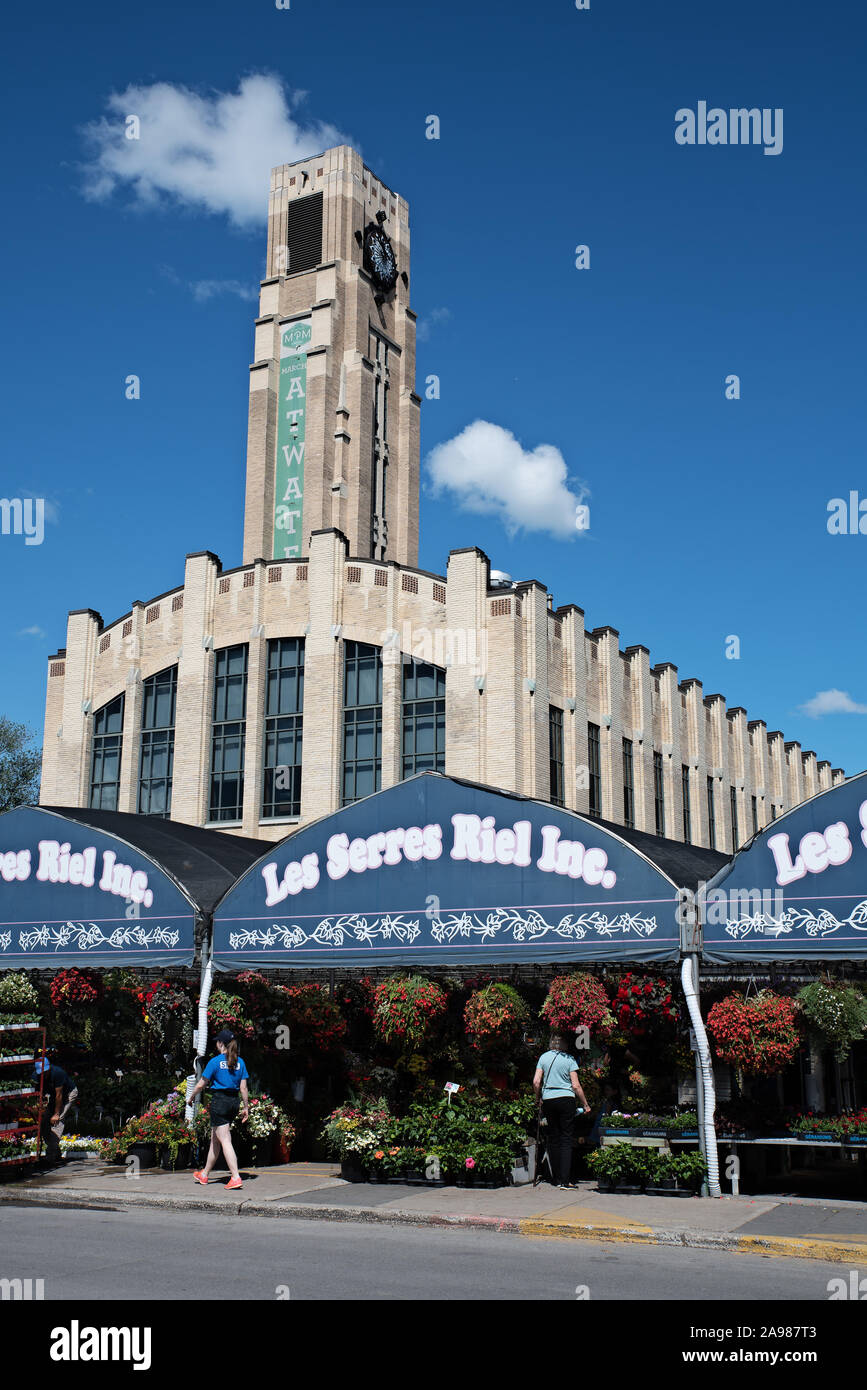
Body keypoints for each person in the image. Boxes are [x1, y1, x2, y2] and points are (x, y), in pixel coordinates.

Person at [186, 1029, 250, 1189]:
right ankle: (205, 1174)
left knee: (225, 1139)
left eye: (217, 1041)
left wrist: (192, 1096)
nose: (216, 1043)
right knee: (215, 1138)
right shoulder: (240, 1062)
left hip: (220, 1102)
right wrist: (246, 1107)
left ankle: (235, 1177)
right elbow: (243, 1088)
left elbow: (202, 1083)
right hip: (233, 1102)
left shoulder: (214, 1062)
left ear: (221, 1044)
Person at [533, 1032, 591, 1188]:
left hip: (549, 1100)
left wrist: (538, 1098)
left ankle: (556, 1178)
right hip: (566, 1099)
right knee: (566, 1139)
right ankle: (565, 1180)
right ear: (564, 1044)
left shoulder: (543, 1058)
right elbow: (576, 1085)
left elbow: (536, 1081)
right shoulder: (569, 1059)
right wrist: (585, 1104)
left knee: (554, 1137)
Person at [32, 1058, 78, 1165]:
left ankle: (50, 1156)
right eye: (41, 1072)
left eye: (45, 1071)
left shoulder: (58, 1073)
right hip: (53, 1096)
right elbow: (38, 1093)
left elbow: (59, 1095)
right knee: (44, 1124)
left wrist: (56, 1114)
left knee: (57, 1122)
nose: (44, 1074)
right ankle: (55, 1152)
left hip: (68, 1093)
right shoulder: (35, 1076)